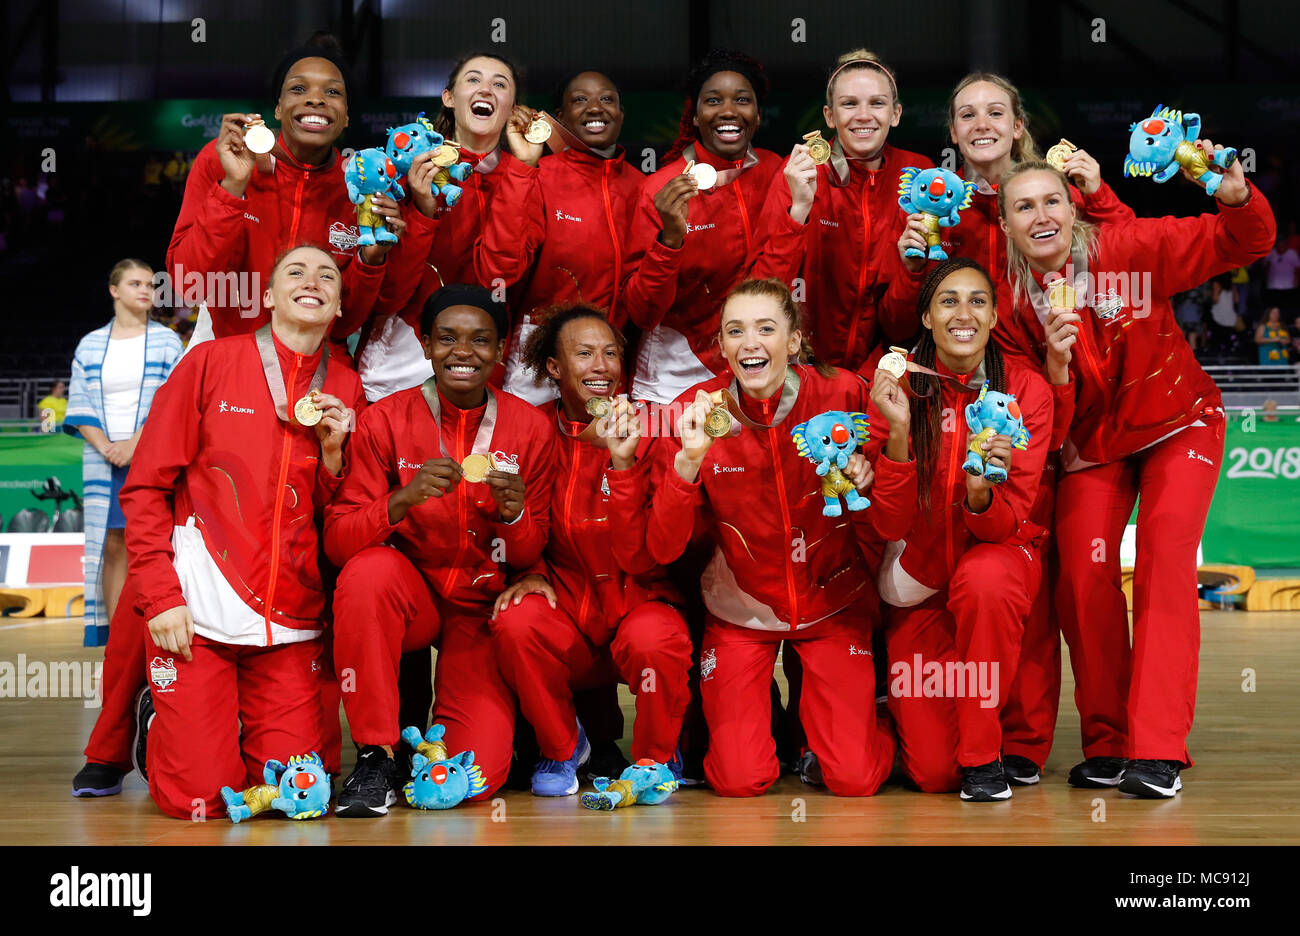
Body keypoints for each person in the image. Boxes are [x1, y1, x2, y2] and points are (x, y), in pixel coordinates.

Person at [997, 150, 1275, 797]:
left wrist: (1236, 198)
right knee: (1083, 579)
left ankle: (1157, 750)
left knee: (1162, 559)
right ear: (1005, 226)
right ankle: (1110, 743)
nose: (1041, 216)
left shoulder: (1127, 246)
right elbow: (1047, 424)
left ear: (1073, 206)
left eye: (1051, 202)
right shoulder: (1010, 309)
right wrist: (1058, 369)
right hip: (1094, 446)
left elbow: (1242, 242)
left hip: (1181, 423)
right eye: (1023, 207)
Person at [95, 245, 363, 817]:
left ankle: (224, 730)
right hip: (198, 611)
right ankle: (160, 719)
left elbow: (339, 519)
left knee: (298, 796)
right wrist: (160, 598)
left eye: (328, 276)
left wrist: (336, 457)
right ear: (266, 296)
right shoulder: (210, 362)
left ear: (339, 305)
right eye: (295, 271)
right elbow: (145, 488)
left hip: (290, 619)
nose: (312, 281)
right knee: (198, 800)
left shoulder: (345, 385)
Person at [932, 73, 1134, 785]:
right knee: (1010, 581)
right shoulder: (941, 209)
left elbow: (1126, 256)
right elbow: (913, 302)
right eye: (966, 113)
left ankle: (1109, 739)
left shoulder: (1054, 196)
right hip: (985, 404)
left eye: (996, 111)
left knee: (1076, 587)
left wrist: (1056, 373)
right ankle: (1015, 741)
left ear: (1019, 124)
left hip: (1067, 426)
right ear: (951, 131)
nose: (982, 123)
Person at [645, 277, 895, 797]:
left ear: (794, 339)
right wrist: (688, 462)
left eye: (765, 328)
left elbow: (887, 504)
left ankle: (881, 723)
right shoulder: (695, 411)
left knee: (854, 780)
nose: (749, 343)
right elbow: (664, 547)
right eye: (735, 331)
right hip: (741, 611)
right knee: (739, 781)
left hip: (833, 602)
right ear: (722, 346)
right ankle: (777, 733)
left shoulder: (844, 391)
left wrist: (870, 473)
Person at [325, 284, 554, 816]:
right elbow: (338, 542)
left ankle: (435, 747)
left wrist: (515, 515)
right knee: (367, 573)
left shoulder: (530, 427)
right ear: (425, 345)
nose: (463, 351)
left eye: (480, 340)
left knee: (472, 779)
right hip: (415, 595)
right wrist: (399, 501)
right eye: (447, 338)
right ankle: (377, 755)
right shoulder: (385, 420)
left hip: (480, 607)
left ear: (501, 351)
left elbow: (529, 552)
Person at [863, 258, 1053, 801]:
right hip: (920, 578)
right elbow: (889, 522)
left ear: (995, 316)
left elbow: (1008, 521)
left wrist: (978, 493)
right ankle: (883, 710)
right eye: (947, 301)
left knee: (985, 578)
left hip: (996, 563)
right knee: (930, 776)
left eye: (977, 301)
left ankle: (981, 761)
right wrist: (898, 432)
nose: (962, 313)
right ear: (925, 317)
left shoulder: (1027, 390)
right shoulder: (895, 386)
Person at [489, 307, 692, 794]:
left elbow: (648, 556)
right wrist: (532, 570)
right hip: (569, 611)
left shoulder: (653, 430)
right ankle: (562, 750)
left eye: (610, 353)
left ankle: (655, 760)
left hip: (636, 601)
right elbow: (526, 528)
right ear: (555, 368)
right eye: (584, 354)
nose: (601, 366)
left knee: (656, 638)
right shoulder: (532, 430)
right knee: (514, 619)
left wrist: (622, 466)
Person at [166, 34, 397, 347]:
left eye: (332, 92)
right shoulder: (225, 159)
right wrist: (232, 188)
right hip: (226, 350)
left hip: (314, 367)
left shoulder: (361, 185)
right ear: (277, 108)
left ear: (345, 118)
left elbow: (346, 323)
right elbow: (187, 284)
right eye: (298, 88)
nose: (316, 99)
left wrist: (371, 260)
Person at [68, 260, 185, 798]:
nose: (145, 291)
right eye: (136, 283)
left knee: (148, 545)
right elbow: (80, 402)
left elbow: (172, 400)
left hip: (149, 450)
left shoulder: (168, 342)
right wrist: (108, 447)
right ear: (113, 289)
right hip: (102, 456)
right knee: (111, 547)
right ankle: (121, 636)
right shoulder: (90, 345)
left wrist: (138, 444)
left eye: (151, 284)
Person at [356, 53, 526, 401]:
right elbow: (390, 297)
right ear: (449, 98)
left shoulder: (526, 177)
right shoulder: (406, 168)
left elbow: (499, 277)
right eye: (474, 80)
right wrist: (423, 212)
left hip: (479, 365)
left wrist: (521, 171)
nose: (487, 90)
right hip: (400, 361)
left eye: (500, 84)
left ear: (512, 107)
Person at [622, 49, 783, 405]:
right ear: (694, 116)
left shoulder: (778, 173)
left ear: (757, 115)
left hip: (756, 361)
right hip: (678, 368)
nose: (728, 111)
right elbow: (642, 313)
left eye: (742, 100)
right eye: (713, 101)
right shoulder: (659, 190)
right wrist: (670, 240)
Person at [754, 49, 933, 369]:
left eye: (877, 103)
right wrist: (799, 212)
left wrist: (912, 269)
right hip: (801, 366)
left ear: (896, 113)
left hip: (881, 369)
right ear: (829, 115)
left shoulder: (918, 176)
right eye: (849, 104)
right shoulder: (800, 173)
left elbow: (902, 325)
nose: (863, 115)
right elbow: (763, 292)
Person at [482, 71, 644, 404]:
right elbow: (500, 269)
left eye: (607, 99)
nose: (595, 108)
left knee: (600, 454)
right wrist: (524, 165)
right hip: (540, 358)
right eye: (580, 100)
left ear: (622, 114)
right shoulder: (539, 177)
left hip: (608, 361)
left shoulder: (642, 188)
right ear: (560, 117)